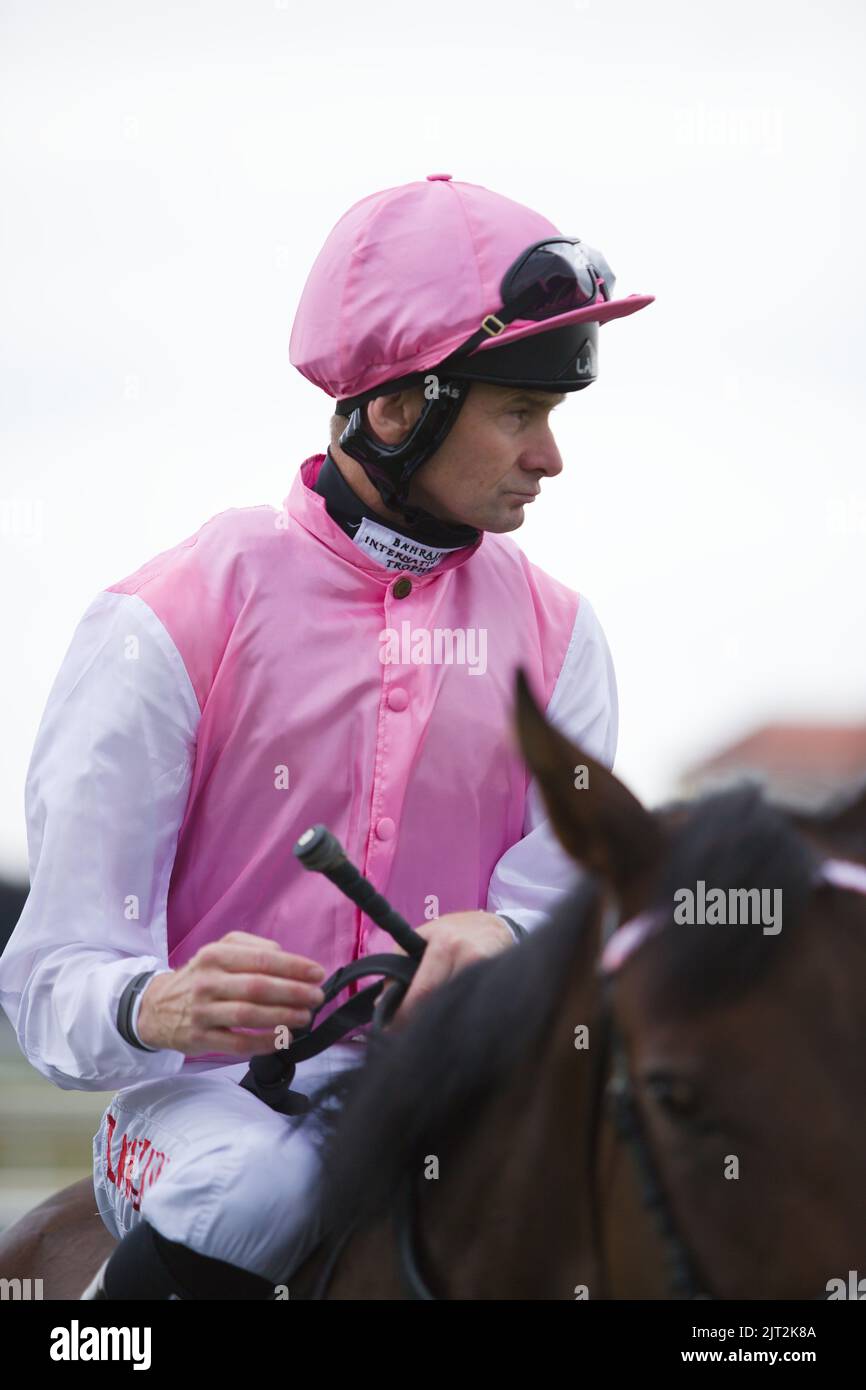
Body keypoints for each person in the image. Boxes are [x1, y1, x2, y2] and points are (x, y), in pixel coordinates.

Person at [0, 174, 653, 1299]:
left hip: (461, 1091)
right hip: (201, 1113)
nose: (550, 457)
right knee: (256, 1186)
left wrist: (502, 938)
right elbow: (50, 977)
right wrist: (149, 1003)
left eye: (552, 416)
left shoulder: (561, 638)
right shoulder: (163, 622)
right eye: (518, 412)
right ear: (398, 409)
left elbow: (565, 911)